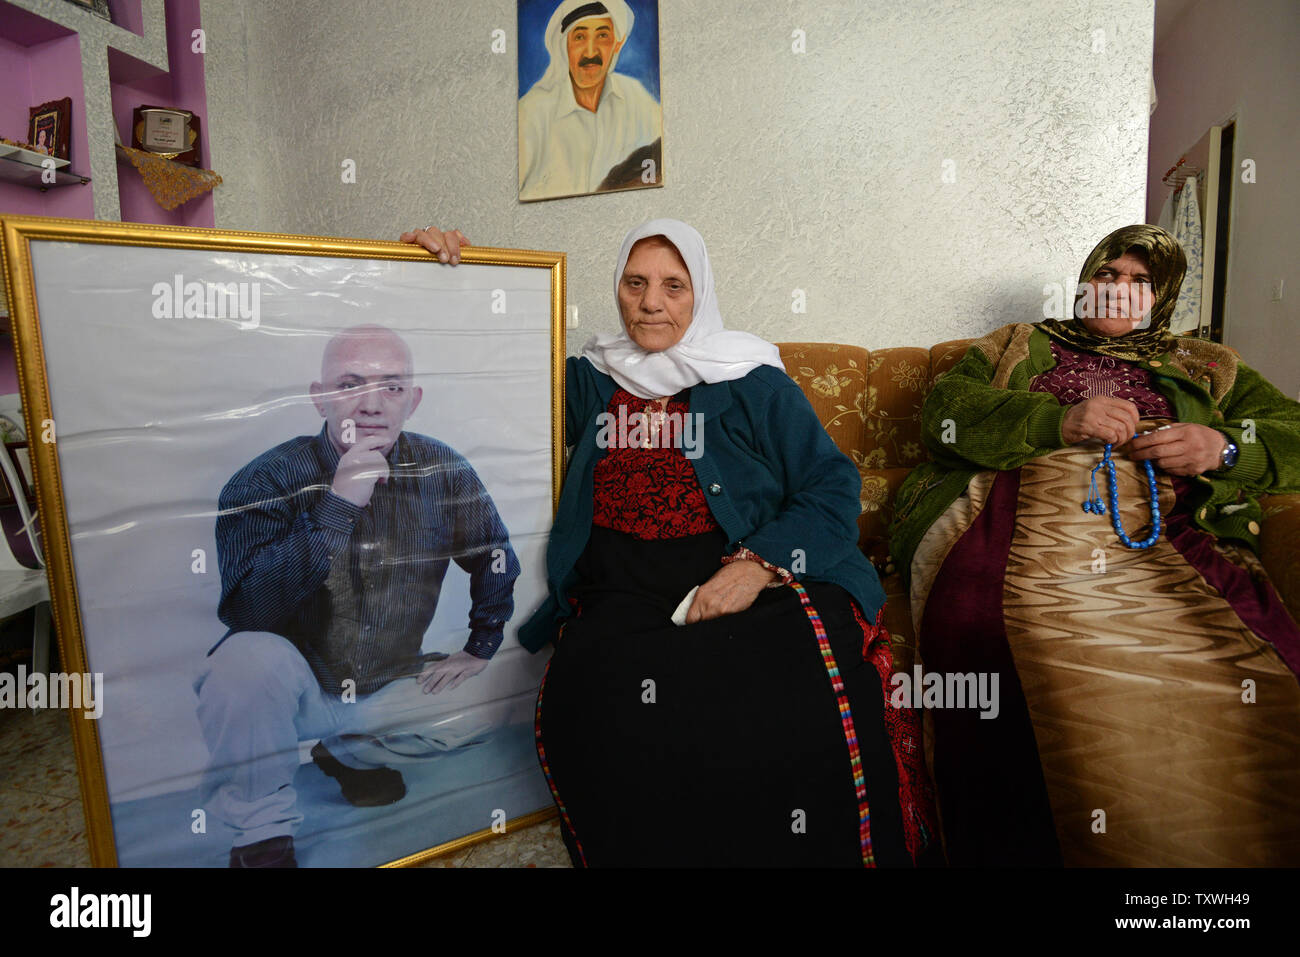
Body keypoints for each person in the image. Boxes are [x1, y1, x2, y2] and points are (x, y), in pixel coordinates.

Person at [405, 220, 939, 867]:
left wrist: (754, 566)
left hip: (740, 574)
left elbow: (832, 485)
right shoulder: (591, 380)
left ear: (700, 292)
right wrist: (449, 280)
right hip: (621, 590)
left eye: (673, 286)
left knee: (783, 693)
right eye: (635, 283)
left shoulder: (750, 379)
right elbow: (490, 379)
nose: (651, 302)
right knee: (587, 698)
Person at [889, 224, 1300, 866]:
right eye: (1107, 275)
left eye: (1140, 281)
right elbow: (946, 417)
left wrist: (1222, 447)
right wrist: (1058, 420)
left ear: (1163, 296)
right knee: (983, 629)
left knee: (1241, 668)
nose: (1117, 291)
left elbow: (1291, 431)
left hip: (1160, 524)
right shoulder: (1017, 343)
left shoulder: (1206, 364)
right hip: (1022, 508)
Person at [195, 324, 521, 867]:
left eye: (392, 386)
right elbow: (247, 611)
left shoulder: (442, 467)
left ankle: (349, 753)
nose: (372, 404)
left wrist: (480, 645)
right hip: (299, 692)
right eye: (350, 384)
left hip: (387, 682)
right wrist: (339, 505)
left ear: (413, 400)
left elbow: (496, 555)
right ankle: (261, 830)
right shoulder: (266, 478)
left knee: (495, 698)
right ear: (319, 396)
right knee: (241, 663)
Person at [518, 0, 662, 201]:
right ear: (564, 46)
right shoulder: (531, 114)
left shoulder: (636, 97)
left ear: (617, 43)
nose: (591, 52)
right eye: (579, 37)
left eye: (602, 36)